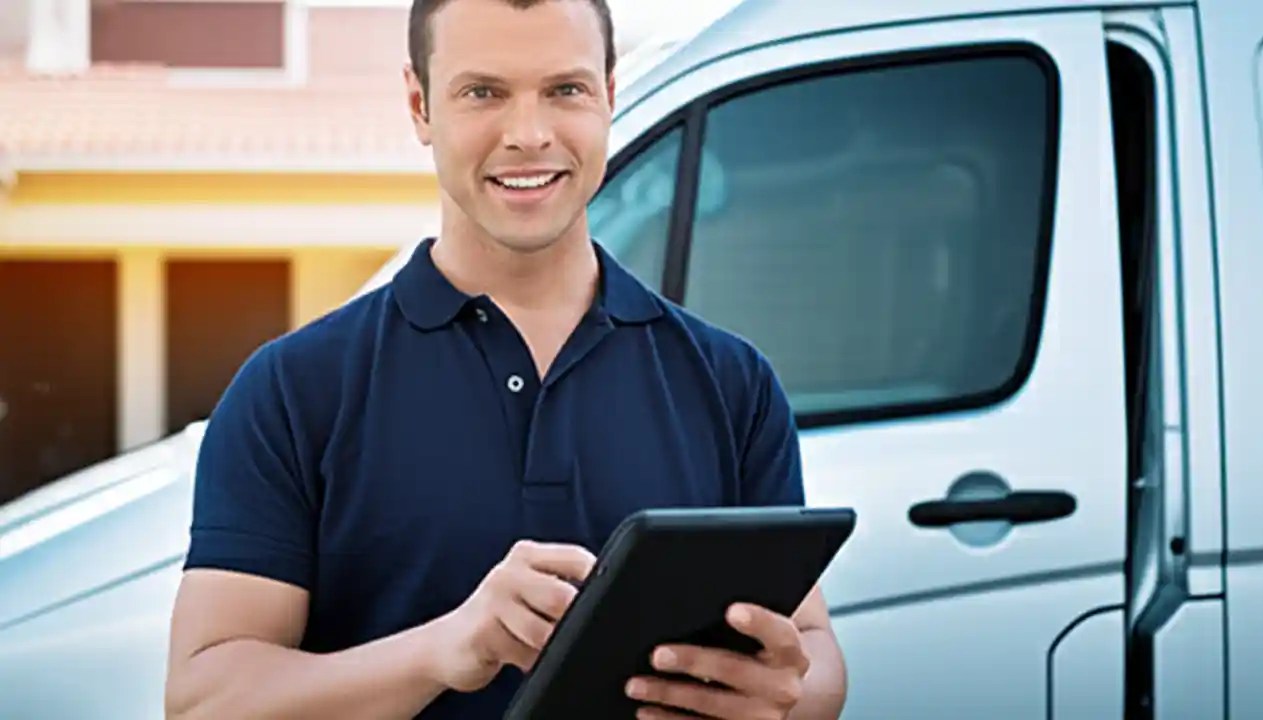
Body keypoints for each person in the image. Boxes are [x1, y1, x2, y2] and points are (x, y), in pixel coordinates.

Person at [162, 0, 848, 717]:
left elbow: (813, 653)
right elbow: (205, 702)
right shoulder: (292, 391)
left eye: (565, 90)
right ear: (420, 106)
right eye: (483, 92)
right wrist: (445, 648)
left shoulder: (732, 384)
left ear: (609, 97)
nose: (529, 135)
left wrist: (782, 698)